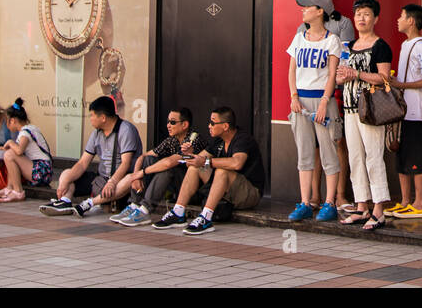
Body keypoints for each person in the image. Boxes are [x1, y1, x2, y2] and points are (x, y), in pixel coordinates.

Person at [153, 106, 265, 234]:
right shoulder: (218, 141)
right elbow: (197, 161)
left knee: (222, 171)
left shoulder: (243, 139)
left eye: (213, 123)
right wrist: (189, 154)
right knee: (196, 167)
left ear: (225, 126)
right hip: (227, 190)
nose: (209, 126)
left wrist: (206, 162)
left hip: (250, 193)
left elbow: (237, 163)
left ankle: (206, 217)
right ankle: (178, 212)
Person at [334, 0, 394, 230]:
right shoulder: (349, 46)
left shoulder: (381, 46)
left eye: (367, 14)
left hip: (370, 109)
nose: (361, 18)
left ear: (376, 18)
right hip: (349, 108)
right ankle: (361, 206)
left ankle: (379, 209)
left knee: (373, 156)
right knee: (355, 157)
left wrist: (356, 75)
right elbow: (341, 75)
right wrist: (342, 76)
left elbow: (385, 78)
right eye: (358, 14)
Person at [295, 0, 354, 209]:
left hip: (336, 89)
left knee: (335, 141)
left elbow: (346, 56)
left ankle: (339, 195)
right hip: (308, 91)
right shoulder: (303, 27)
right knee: (312, 145)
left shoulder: (343, 23)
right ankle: (313, 197)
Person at [285, 0, 342, 222]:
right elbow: (291, 70)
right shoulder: (299, 38)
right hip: (300, 102)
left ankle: (329, 202)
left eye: (307, 7)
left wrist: (325, 101)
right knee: (304, 153)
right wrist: (293, 96)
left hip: (322, 101)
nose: (303, 10)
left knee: (329, 151)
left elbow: (332, 74)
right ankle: (305, 202)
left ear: (320, 11)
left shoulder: (332, 40)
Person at [38, 96, 141, 217]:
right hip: (101, 179)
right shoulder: (96, 133)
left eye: (92, 115)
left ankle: (90, 203)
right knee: (67, 173)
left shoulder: (126, 130)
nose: (90, 119)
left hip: (120, 180)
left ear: (103, 118)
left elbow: (126, 163)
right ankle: (65, 202)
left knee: (129, 179)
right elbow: (82, 163)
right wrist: (64, 182)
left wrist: (112, 182)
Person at [111, 107, 206, 226]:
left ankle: (145, 210)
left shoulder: (193, 139)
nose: (168, 125)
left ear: (184, 124)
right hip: (176, 189)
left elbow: (169, 163)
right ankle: (135, 205)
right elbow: (143, 156)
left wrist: (143, 172)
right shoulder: (172, 140)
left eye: (172, 122)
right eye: (168, 122)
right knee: (149, 160)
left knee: (168, 169)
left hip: (193, 192)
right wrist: (136, 176)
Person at [386, 4, 422, 219]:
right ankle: (405, 201)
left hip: (414, 111)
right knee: (402, 156)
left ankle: (420, 202)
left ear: (411, 21)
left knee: (415, 156)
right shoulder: (406, 45)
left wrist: (402, 85)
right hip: (402, 111)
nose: (398, 19)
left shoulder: (420, 47)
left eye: (401, 16)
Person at [0, 99, 53, 203]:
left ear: (12, 120)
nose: (7, 127)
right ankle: (9, 188)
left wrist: (10, 142)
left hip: (41, 171)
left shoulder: (25, 132)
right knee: (9, 153)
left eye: (6, 122)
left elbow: (18, 151)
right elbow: (10, 148)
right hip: (43, 171)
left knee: (9, 154)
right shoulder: (30, 129)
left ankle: (18, 192)